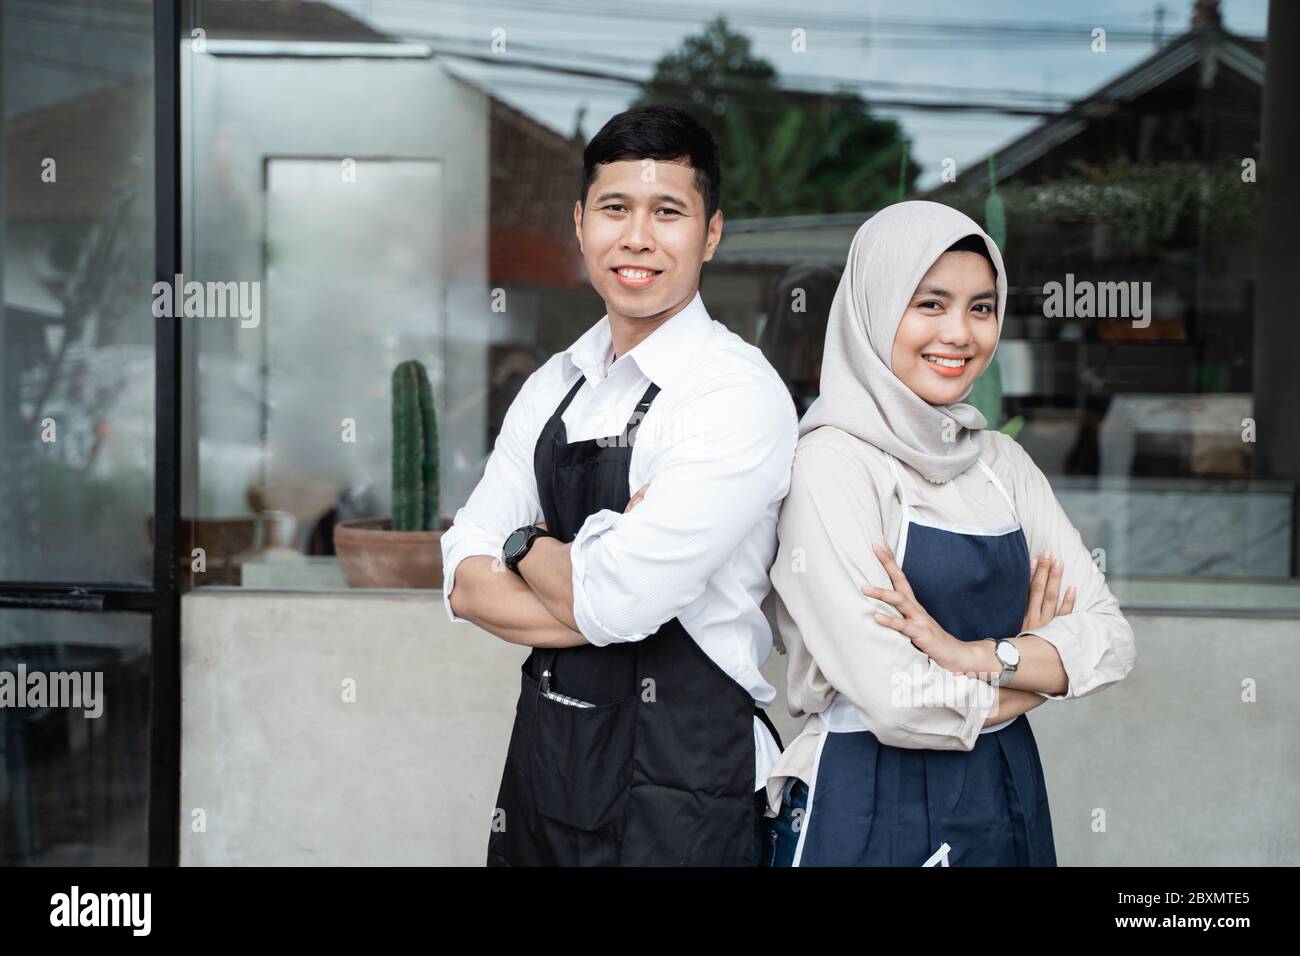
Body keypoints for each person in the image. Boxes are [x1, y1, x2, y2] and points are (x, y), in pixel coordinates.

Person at [441, 105, 798, 866]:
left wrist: (524, 542)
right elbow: (464, 581)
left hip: (686, 788)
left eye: (668, 211)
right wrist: (583, 574)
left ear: (711, 233)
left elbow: (624, 598)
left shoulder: (734, 392)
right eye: (615, 208)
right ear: (580, 223)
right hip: (548, 769)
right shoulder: (556, 382)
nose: (637, 237)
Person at [761, 200, 1137, 867]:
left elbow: (1109, 640)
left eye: (982, 308)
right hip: (871, 793)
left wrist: (972, 654)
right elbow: (895, 701)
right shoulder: (831, 463)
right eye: (930, 304)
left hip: (1005, 784)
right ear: (874, 309)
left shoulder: (1002, 464)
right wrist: (1038, 671)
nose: (960, 334)